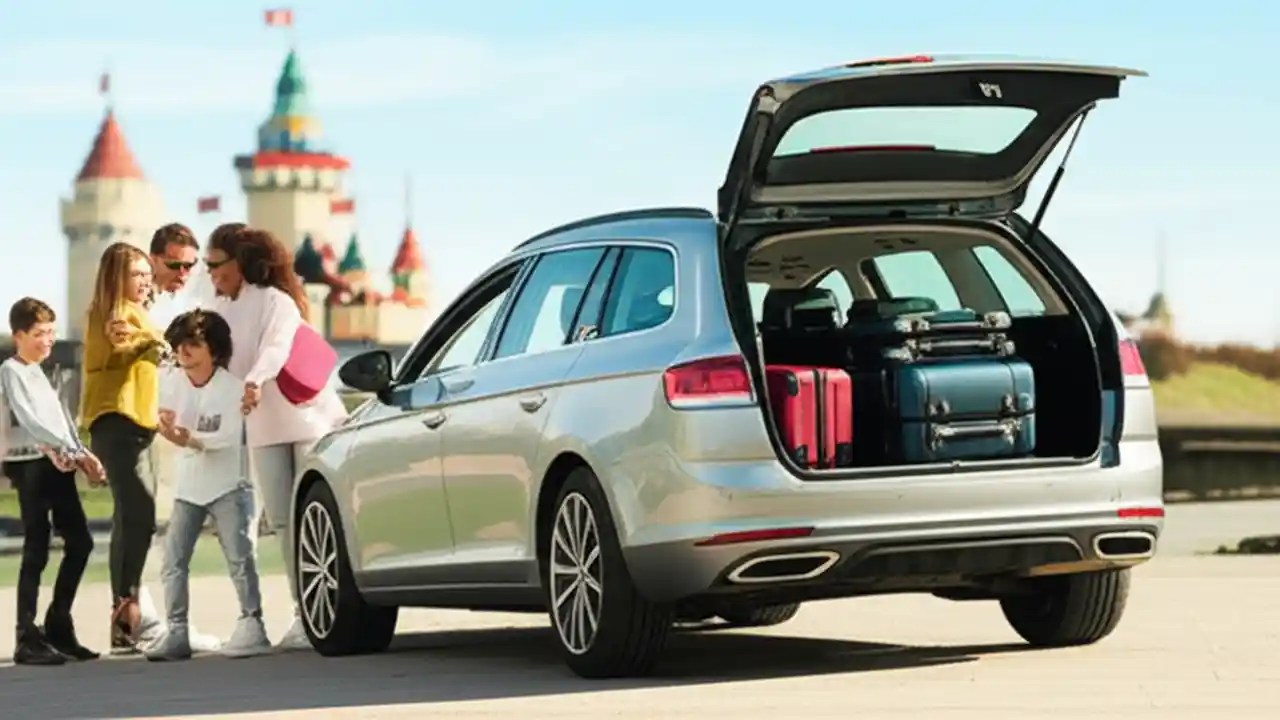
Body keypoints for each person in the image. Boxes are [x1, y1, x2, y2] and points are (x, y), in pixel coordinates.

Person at [205, 224, 345, 650]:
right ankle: (306, 613)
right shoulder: (217, 309)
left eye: (216, 264)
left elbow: (276, 348)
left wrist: (255, 380)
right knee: (283, 522)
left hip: (308, 418)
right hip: (264, 423)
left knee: (315, 519)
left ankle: (329, 610)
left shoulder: (275, 300)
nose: (210, 274)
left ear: (241, 261)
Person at [144, 310, 271, 661]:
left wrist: (189, 438)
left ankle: (252, 623)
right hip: (189, 487)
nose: (184, 351)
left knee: (240, 559)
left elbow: (226, 437)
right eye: (180, 344)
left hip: (230, 484)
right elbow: (160, 408)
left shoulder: (233, 389)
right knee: (173, 561)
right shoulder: (170, 380)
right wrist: (164, 423)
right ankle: (178, 630)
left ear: (214, 350)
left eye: (194, 344)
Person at [1, 298, 108, 665]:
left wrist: (83, 454)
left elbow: (60, 421)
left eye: (50, 333)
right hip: (30, 464)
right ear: (18, 335)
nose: (47, 340)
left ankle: (58, 624)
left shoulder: (41, 373)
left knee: (80, 542)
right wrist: (71, 452)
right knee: (37, 546)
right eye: (39, 334)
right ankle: (26, 636)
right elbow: (30, 420)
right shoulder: (11, 371)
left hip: (57, 464)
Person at [78, 241, 167, 654]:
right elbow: (118, 349)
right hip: (118, 421)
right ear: (116, 276)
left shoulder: (136, 312)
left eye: (147, 272)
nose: (145, 278)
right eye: (137, 272)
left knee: (134, 517)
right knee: (139, 514)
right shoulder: (112, 311)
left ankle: (126, 616)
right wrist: (153, 345)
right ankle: (126, 612)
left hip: (139, 423)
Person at [139, 222, 223, 654]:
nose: (183, 271)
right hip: (143, 425)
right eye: (174, 263)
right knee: (143, 527)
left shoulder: (186, 301)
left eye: (190, 265)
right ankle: (153, 623)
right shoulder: (138, 305)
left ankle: (149, 622)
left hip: (175, 428)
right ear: (153, 258)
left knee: (161, 527)